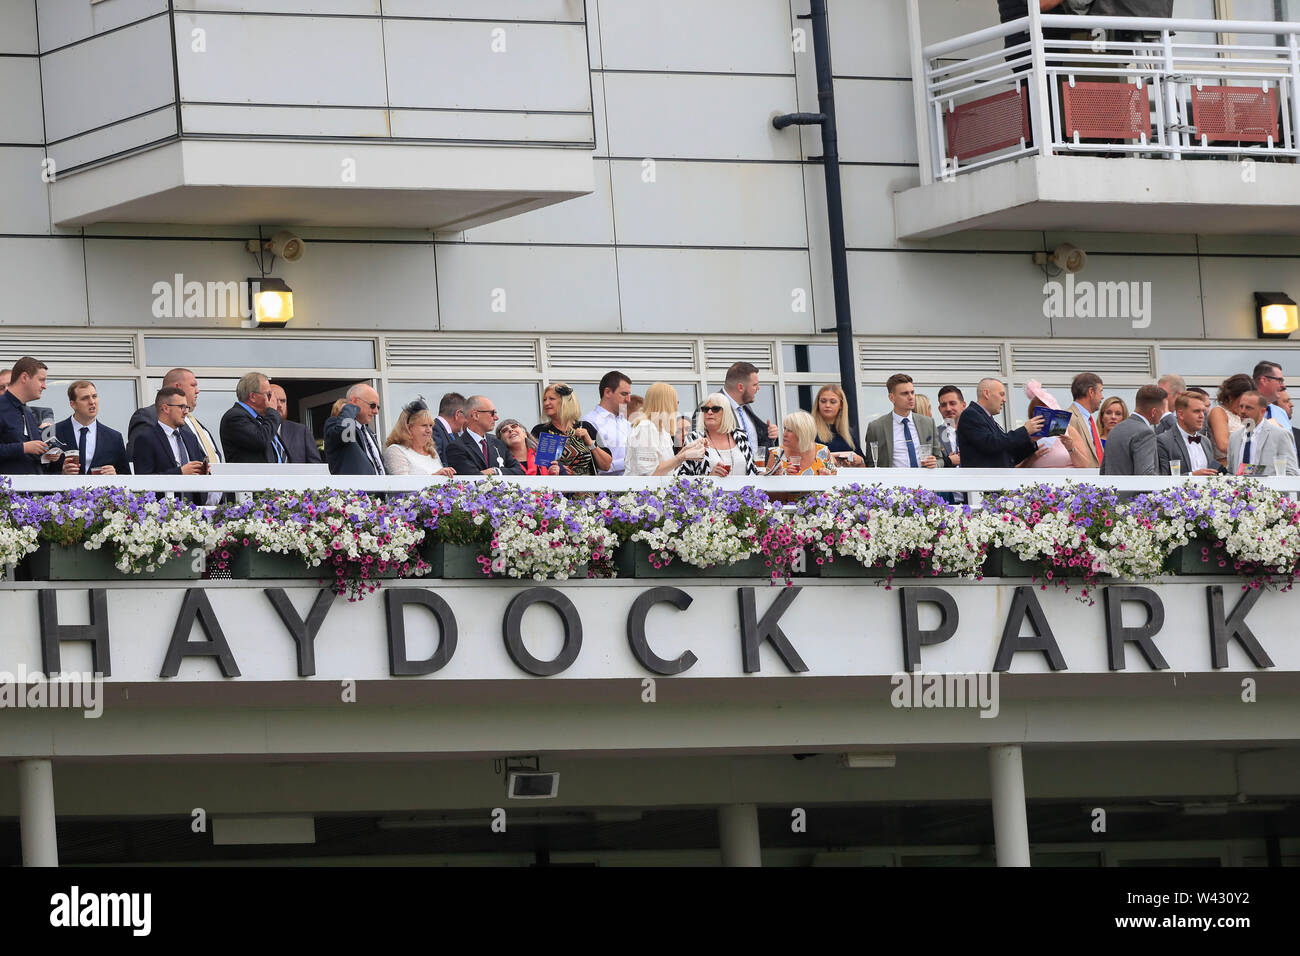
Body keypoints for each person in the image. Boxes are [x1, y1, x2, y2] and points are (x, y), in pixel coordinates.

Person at [127, 367, 222, 466]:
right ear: (177, 388)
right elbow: (138, 462)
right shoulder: (149, 416)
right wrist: (180, 472)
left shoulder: (194, 423)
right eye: (193, 385)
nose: (197, 391)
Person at [957, 378, 1043, 468]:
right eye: (1001, 394)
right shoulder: (971, 414)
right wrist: (1024, 430)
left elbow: (1009, 456)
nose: (1004, 400)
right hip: (984, 479)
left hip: (995, 479)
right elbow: (991, 444)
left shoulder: (986, 418)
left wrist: (1030, 439)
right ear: (986, 394)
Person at [624, 383, 704, 476]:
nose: (677, 407)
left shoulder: (663, 431)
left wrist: (688, 450)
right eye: (676, 402)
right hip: (644, 489)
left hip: (660, 489)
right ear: (666, 404)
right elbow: (650, 473)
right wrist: (683, 456)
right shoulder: (646, 427)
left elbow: (668, 466)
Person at [864, 374, 941, 469]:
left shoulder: (928, 423)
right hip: (893, 482)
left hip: (924, 480)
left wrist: (935, 464)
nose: (911, 397)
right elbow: (871, 463)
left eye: (912, 392)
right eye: (905, 393)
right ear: (892, 398)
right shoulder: (876, 427)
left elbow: (939, 459)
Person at [532, 383, 611, 476]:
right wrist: (554, 468)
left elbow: (606, 465)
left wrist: (589, 442)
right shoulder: (540, 431)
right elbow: (532, 465)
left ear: (565, 402)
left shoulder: (586, 427)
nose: (546, 403)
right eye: (544, 400)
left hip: (588, 488)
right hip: (556, 489)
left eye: (551, 399)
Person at [0, 356, 60, 475]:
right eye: (41, 380)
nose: (44, 386)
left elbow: (28, 458)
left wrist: (46, 456)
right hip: (6, 491)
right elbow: (24, 449)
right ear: (24, 377)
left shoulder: (27, 412)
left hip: (31, 490)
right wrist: (24, 447)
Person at [56, 380, 128, 475]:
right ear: (73, 404)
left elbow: (126, 477)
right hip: (64, 489)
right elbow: (41, 472)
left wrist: (115, 476)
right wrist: (62, 474)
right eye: (85, 398)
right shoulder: (54, 432)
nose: (92, 402)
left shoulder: (114, 438)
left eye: (94, 396)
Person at [677, 392, 757, 477]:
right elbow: (683, 477)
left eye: (715, 409)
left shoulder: (741, 436)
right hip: (709, 490)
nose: (710, 412)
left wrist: (769, 474)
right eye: (705, 409)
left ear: (726, 412)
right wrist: (709, 478)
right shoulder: (694, 438)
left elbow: (752, 471)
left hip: (743, 490)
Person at [131, 387, 205, 476]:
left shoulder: (191, 438)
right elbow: (144, 478)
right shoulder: (146, 439)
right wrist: (180, 472)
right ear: (166, 408)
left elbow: (199, 471)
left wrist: (204, 471)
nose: (186, 412)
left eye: (186, 407)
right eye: (182, 407)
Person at [447, 395, 525, 476]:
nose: (496, 418)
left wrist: (495, 471)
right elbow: (473, 478)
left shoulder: (498, 444)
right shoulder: (456, 447)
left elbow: (519, 472)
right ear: (475, 415)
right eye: (492, 413)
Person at [1018, 382, 1090, 468]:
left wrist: (1071, 448)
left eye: (1049, 409)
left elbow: (1085, 466)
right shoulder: (1025, 434)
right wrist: (1032, 458)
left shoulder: (1068, 430)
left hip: (1068, 479)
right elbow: (1016, 470)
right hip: (1038, 480)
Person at [1099, 385, 1166, 476]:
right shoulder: (1146, 433)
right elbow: (1146, 476)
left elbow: (1103, 471)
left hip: (1113, 489)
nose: (1163, 413)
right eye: (1163, 410)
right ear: (1153, 412)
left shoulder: (1115, 430)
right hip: (1136, 490)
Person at [1227, 391, 1299, 476]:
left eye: (1248, 408)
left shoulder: (1280, 435)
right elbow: (1231, 472)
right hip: (1239, 488)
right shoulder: (1234, 437)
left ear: (1262, 411)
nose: (1242, 411)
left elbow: (1292, 472)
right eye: (1241, 406)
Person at [219, 372, 285, 464]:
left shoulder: (261, 418)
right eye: (269, 394)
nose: (273, 400)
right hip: (252, 477)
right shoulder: (235, 417)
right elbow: (261, 440)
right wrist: (272, 412)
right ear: (253, 397)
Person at [324, 382, 387, 476]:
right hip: (357, 489)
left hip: (380, 489)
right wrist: (349, 408)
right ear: (355, 401)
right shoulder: (334, 423)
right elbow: (344, 433)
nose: (376, 411)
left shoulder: (368, 432)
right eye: (372, 405)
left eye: (378, 407)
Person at [382, 397, 457, 477]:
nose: (429, 430)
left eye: (431, 426)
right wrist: (434, 477)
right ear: (409, 428)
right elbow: (402, 485)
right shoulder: (396, 451)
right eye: (424, 425)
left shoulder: (432, 452)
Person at [1157, 392, 1224, 476]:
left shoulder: (1205, 441)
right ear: (1181, 414)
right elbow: (1162, 477)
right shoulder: (1163, 441)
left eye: (1203, 411)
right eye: (1196, 411)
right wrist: (1191, 476)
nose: (1202, 416)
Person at [722, 361, 778, 456]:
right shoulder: (710, 408)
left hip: (757, 469)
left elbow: (756, 443)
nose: (758, 388)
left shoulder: (745, 407)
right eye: (754, 385)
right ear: (740, 387)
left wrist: (770, 435)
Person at [588, 371, 632, 476]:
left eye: (629, 394)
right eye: (624, 394)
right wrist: (629, 463)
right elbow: (595, 466)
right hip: (607, 489)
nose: (628, 400)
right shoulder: (590, 422)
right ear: (607, 392)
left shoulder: (626, 423)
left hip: (632, 487)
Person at [813, 384, 867, 467]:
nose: (827, 405)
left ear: (841, 405)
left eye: (833, 402)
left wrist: (859, 460)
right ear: (817, 403)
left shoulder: (848, 432)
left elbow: (864, 465)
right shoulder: (810, 431)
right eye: (823, 401)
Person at [268, 384, 322, 465]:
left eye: (283, 401)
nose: (279, 405)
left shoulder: (301, 431)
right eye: (274, 400)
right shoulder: (256, 430)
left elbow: (315, 465)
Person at [1208, 374, 1253, 467]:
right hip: (1227, 466)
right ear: (1231, 397)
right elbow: (1223, 445)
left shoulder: (1246, 415)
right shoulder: (1218, 412)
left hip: (1248, 466)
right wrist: (1253, 449)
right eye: (1241, 402)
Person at [772, 410, 836, 476]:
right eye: (785, 428)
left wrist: (826, 477)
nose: (784, 434)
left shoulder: (823, 451)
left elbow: (834, 479)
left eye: (790, 430)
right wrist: (783, 477)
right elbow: (766, 483)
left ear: (803, 434)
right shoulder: (776, 455)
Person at [1065, 371, 1105, 468]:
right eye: (1100, 391)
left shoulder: (1090, 420)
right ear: (1091, 392)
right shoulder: (1068, 418)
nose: (1102, 397)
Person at [1252, 360, 1293, 432]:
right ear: (1264, 380)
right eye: (1279, 380)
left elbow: (1290, 442)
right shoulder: (1242, 411)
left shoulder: (1281, 412)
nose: (1283, 385)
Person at [936, 385, 966, 468]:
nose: (948, 409)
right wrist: (948, 462)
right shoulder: (933, 435)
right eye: (944, 405)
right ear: (939, 409)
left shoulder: (976, 433)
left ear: (963, 405)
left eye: (952, 403)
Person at [433, 393, 467, 462]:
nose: (466, 420)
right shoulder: (434, 430)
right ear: (457, 414)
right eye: (466, 416)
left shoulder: (450, 434)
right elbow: (437, 463)